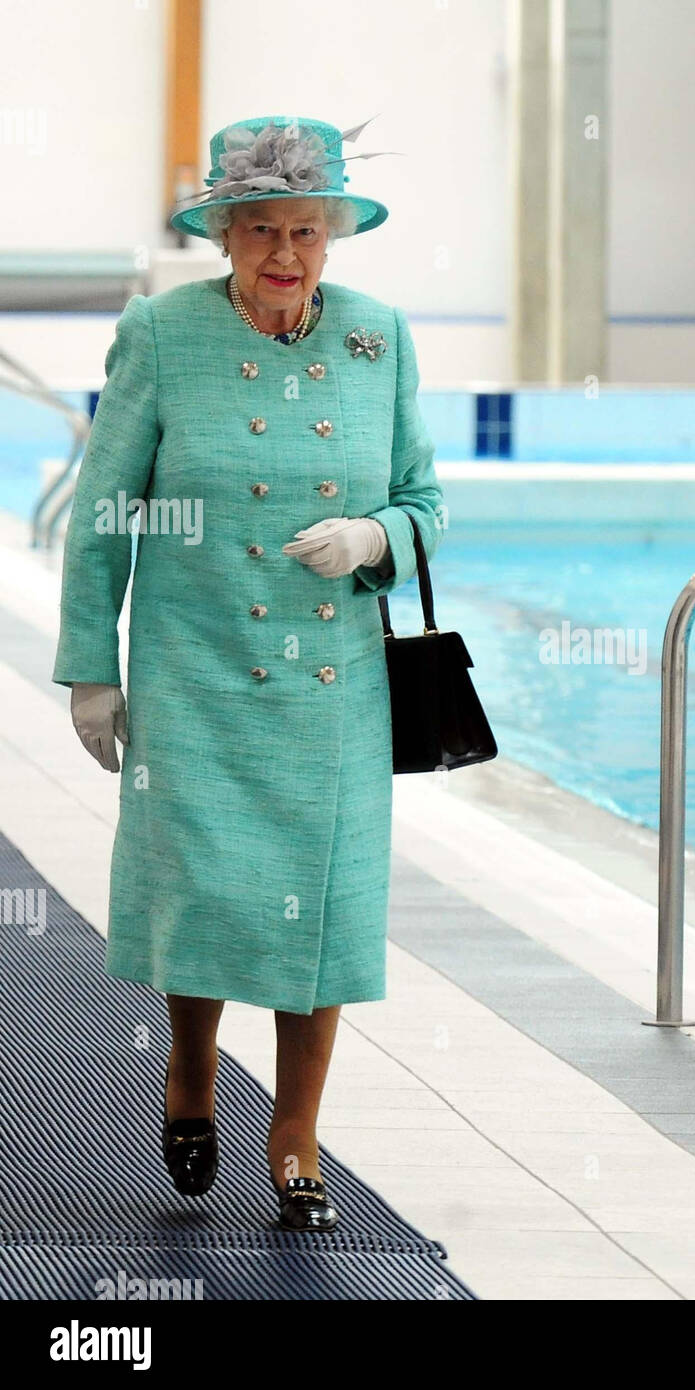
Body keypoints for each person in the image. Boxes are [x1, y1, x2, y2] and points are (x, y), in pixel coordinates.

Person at [52, 116, 443, 1231]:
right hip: (197, 668)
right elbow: (105, 508)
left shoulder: (381, 340)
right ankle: (189, 1069)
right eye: (263, 228)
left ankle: (297, 1134)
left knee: (320, 916)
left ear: (333, 236)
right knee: (207, 895)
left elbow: (426, 502)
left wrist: (374, 538)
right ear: (223, 233)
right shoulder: (163, 334)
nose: (285, 252)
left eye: (306, 231)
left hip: (332, 683)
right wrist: (92, 664)